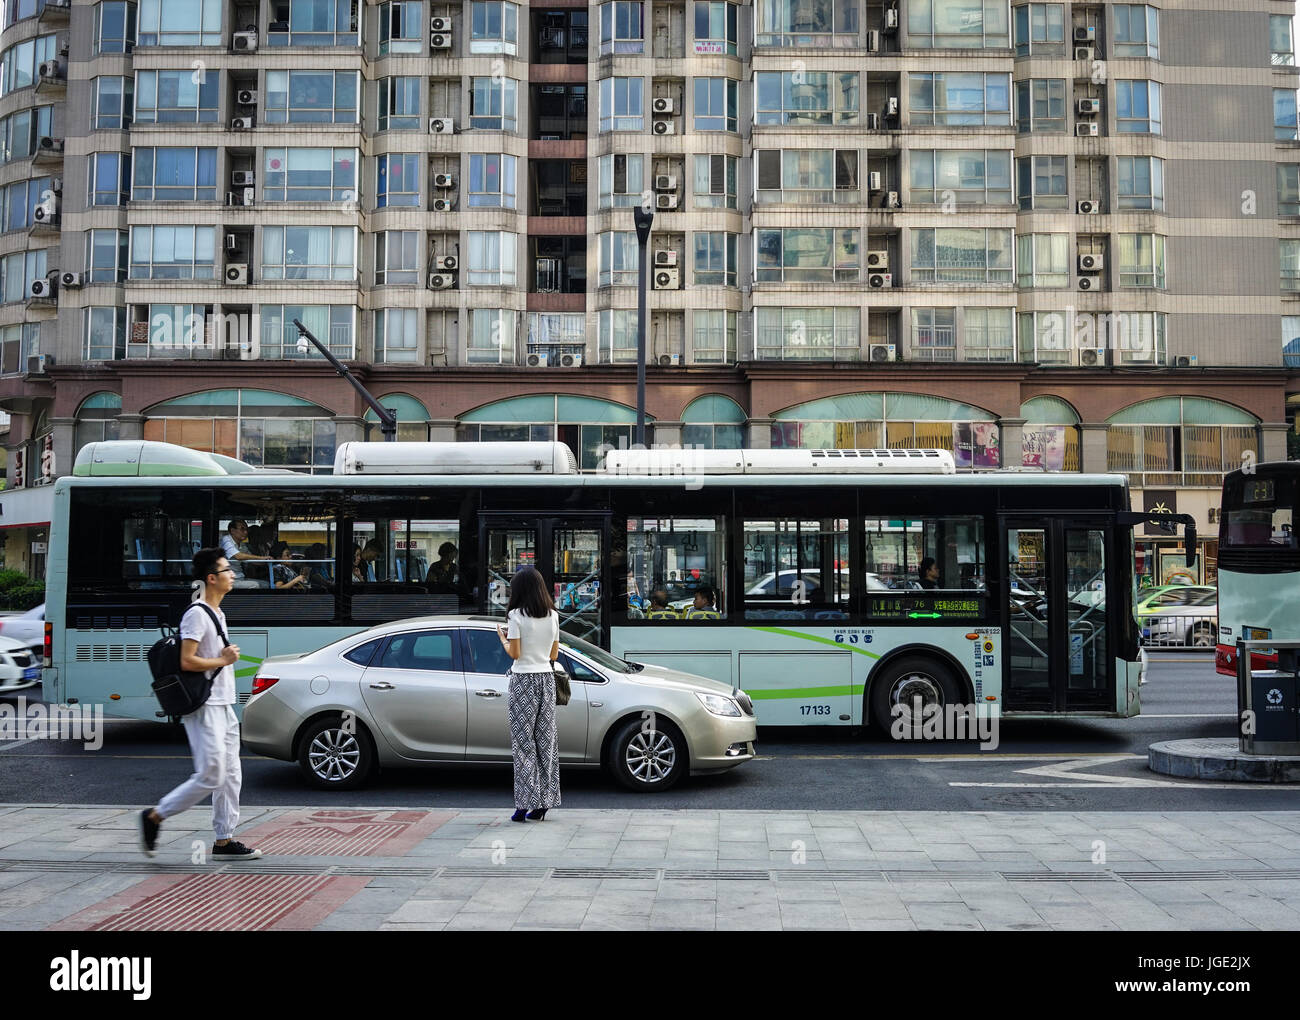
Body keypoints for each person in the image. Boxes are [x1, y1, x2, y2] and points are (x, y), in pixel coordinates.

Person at [140, 548, 263, 860]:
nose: (232, 574)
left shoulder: (218, 612)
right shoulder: (196, 614)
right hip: (204, 705)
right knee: (211, 774)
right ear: (212, 578)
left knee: (231, 774)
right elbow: (187, 660)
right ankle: (155, 815)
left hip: (223, 704)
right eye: (227, 570)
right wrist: (222, 659)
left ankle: (224, 840)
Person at [496, 567, 560, 823]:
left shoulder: (515, 615)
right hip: (547, 679)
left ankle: (523, 805)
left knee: (523, 745)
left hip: (523, 681)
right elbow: (554, 655)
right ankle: (544, 803)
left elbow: (515, 653)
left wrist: (502, 638)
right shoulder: (553, 615)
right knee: (546, 742)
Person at [220, 519, 274, 588]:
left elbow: (251, 559)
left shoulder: (242, 545)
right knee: (255, 585)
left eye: (246, 529)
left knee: (266, 584)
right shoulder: (226, 540)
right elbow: (238, 556)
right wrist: (262, 558)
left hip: (240, 578)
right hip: (228, 580)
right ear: (232, 531)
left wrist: (267, 561)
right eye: (242, 529)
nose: (246, 532)